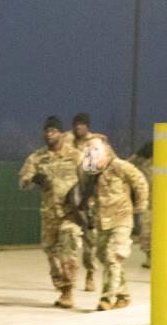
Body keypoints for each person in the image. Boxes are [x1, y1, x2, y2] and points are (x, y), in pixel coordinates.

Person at [18, 116, 83, 308]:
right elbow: (22, 182)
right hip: (49, 213)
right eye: (47, 131)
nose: (49, 135)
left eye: (53, 131)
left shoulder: (77, 155)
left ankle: (68, 291)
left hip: (71, 214)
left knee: (68, 251)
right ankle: (60, 282)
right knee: (51, 252)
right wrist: (33, 179)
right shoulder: (37, 157)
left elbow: (93, 176)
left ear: (61, 134)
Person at [78, 136, 147, 311]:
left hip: (121, 218)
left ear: (106, 150)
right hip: (102, 221)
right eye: (89, 150)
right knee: (103, 257)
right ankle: (123, 294)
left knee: (113, 256)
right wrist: (87, 165)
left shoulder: (119, 166)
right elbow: (83, 186)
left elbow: (140, 181)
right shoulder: (91, 171)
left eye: (95, 149)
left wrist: (141, 205)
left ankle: (106, 298)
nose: (91, 152)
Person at [62, 113, 99, 291]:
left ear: (88, 126)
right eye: (76, 124)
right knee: (68, 238)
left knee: (89, 240)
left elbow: (93, 172)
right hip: (69, 197)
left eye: (82, 124)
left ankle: (90, 273)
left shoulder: (93, 144)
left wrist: (88, 198)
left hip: (88, 197)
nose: (78, 127)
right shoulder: (66, 139)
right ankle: (69, 278)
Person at [129, 141, 155, 268]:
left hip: (162, 202)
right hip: (147, 202)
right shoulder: (140, 162)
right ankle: (150, 256)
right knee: (146, 231)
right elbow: (127, 166)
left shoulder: (166, 159)